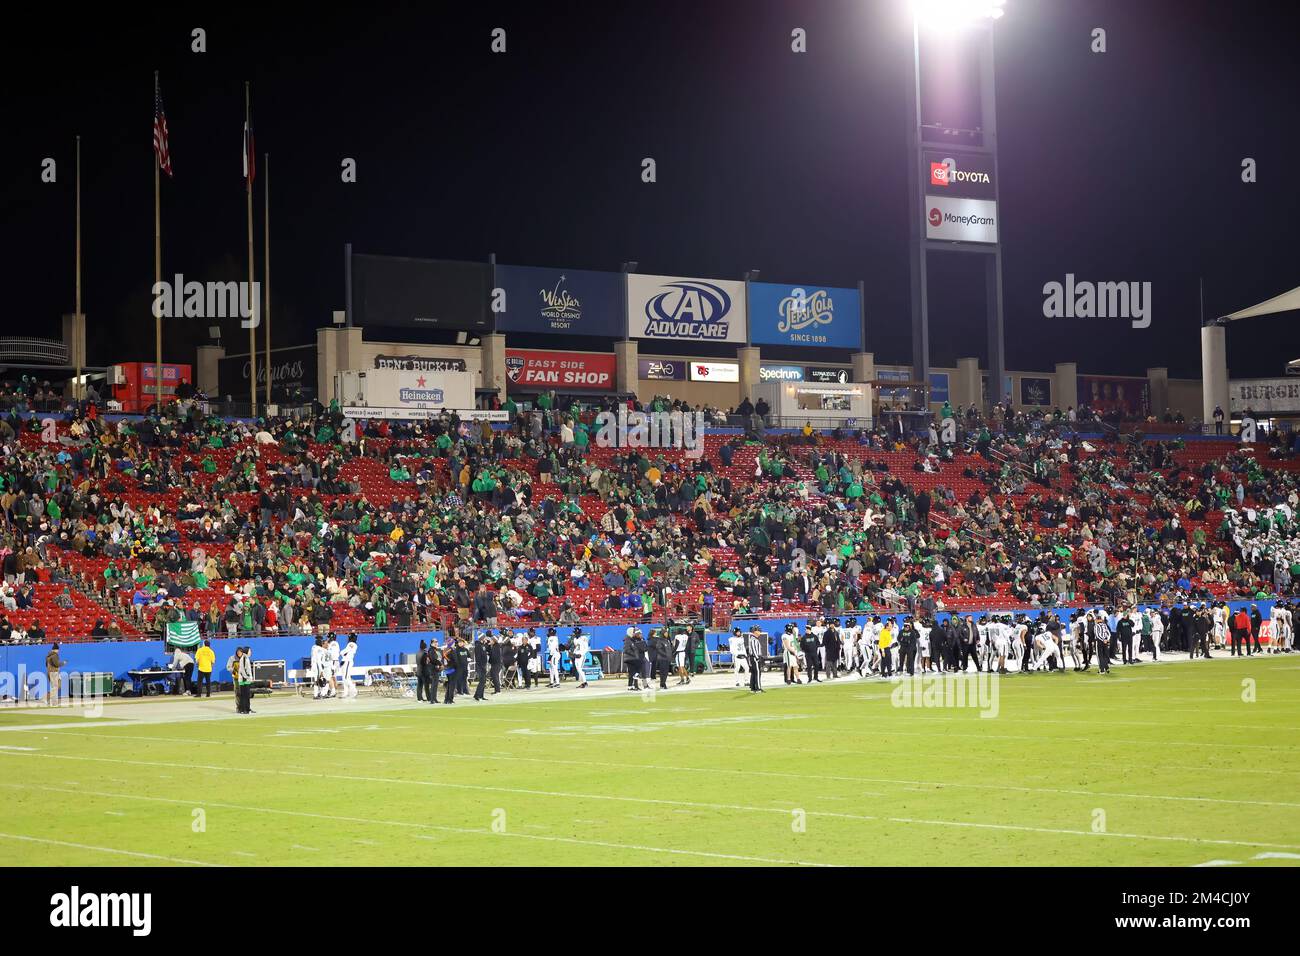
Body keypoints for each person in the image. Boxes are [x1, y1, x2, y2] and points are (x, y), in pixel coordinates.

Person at [745, 626, 765, 693]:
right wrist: (757, 657)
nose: (760, 632)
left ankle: (753, 688)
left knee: (754, 673)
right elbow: (753, 649)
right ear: (755, 631)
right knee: (757, 672)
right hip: (754, 657)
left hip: (754, 657)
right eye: (759, 631)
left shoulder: (754, 639)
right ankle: (758, 688)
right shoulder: (753, 639)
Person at [339, 633, 358, 698]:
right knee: (344, 678)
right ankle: (345, 693)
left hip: (348, 661)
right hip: (345, 661)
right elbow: (345, 653)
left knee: (346, 677)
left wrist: (341, 653)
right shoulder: (352, 644)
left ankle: (354, 690)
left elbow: (344, 651)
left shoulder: (351, 644)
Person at [236, 647, 254, 714]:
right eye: (249, 651)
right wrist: (247, 677)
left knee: (246, 695)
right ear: (246, 651)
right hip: (244, 680)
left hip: (245, 679)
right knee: (245, 695)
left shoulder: (245, 658)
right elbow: (243, 670)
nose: (250, 652)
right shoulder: (244, 659)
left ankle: (247, 709)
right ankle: (244, 709)